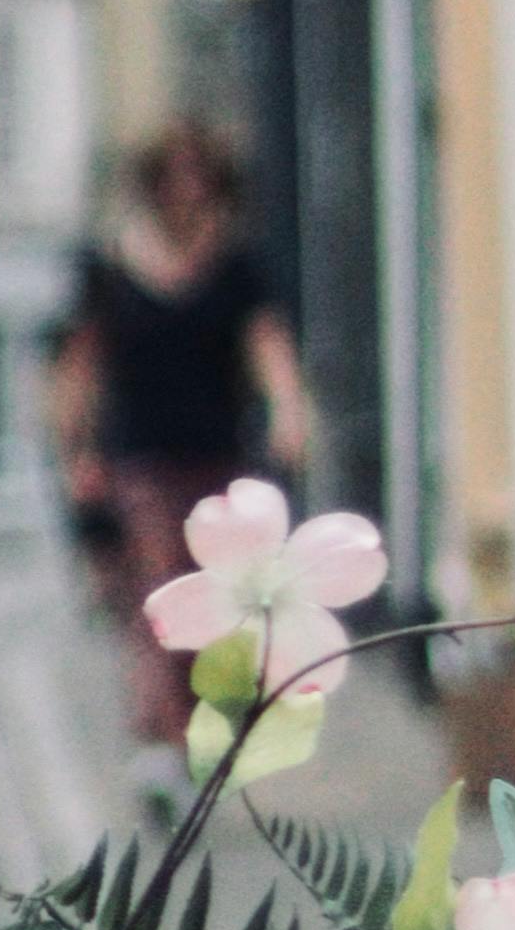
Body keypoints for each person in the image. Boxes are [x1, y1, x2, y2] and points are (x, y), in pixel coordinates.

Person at [47, 117, 316, 754]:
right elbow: (80, 366)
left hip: (219, 456)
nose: (188, 190)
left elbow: (267, 347)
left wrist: (289, 412)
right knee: (160, 590)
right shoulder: (111, 269)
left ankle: (192, 727)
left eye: (200, 177)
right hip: (139, 458)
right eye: (175, 177)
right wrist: (75, 453)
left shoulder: (236, 266)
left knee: (221, 603)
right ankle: (163, 738)